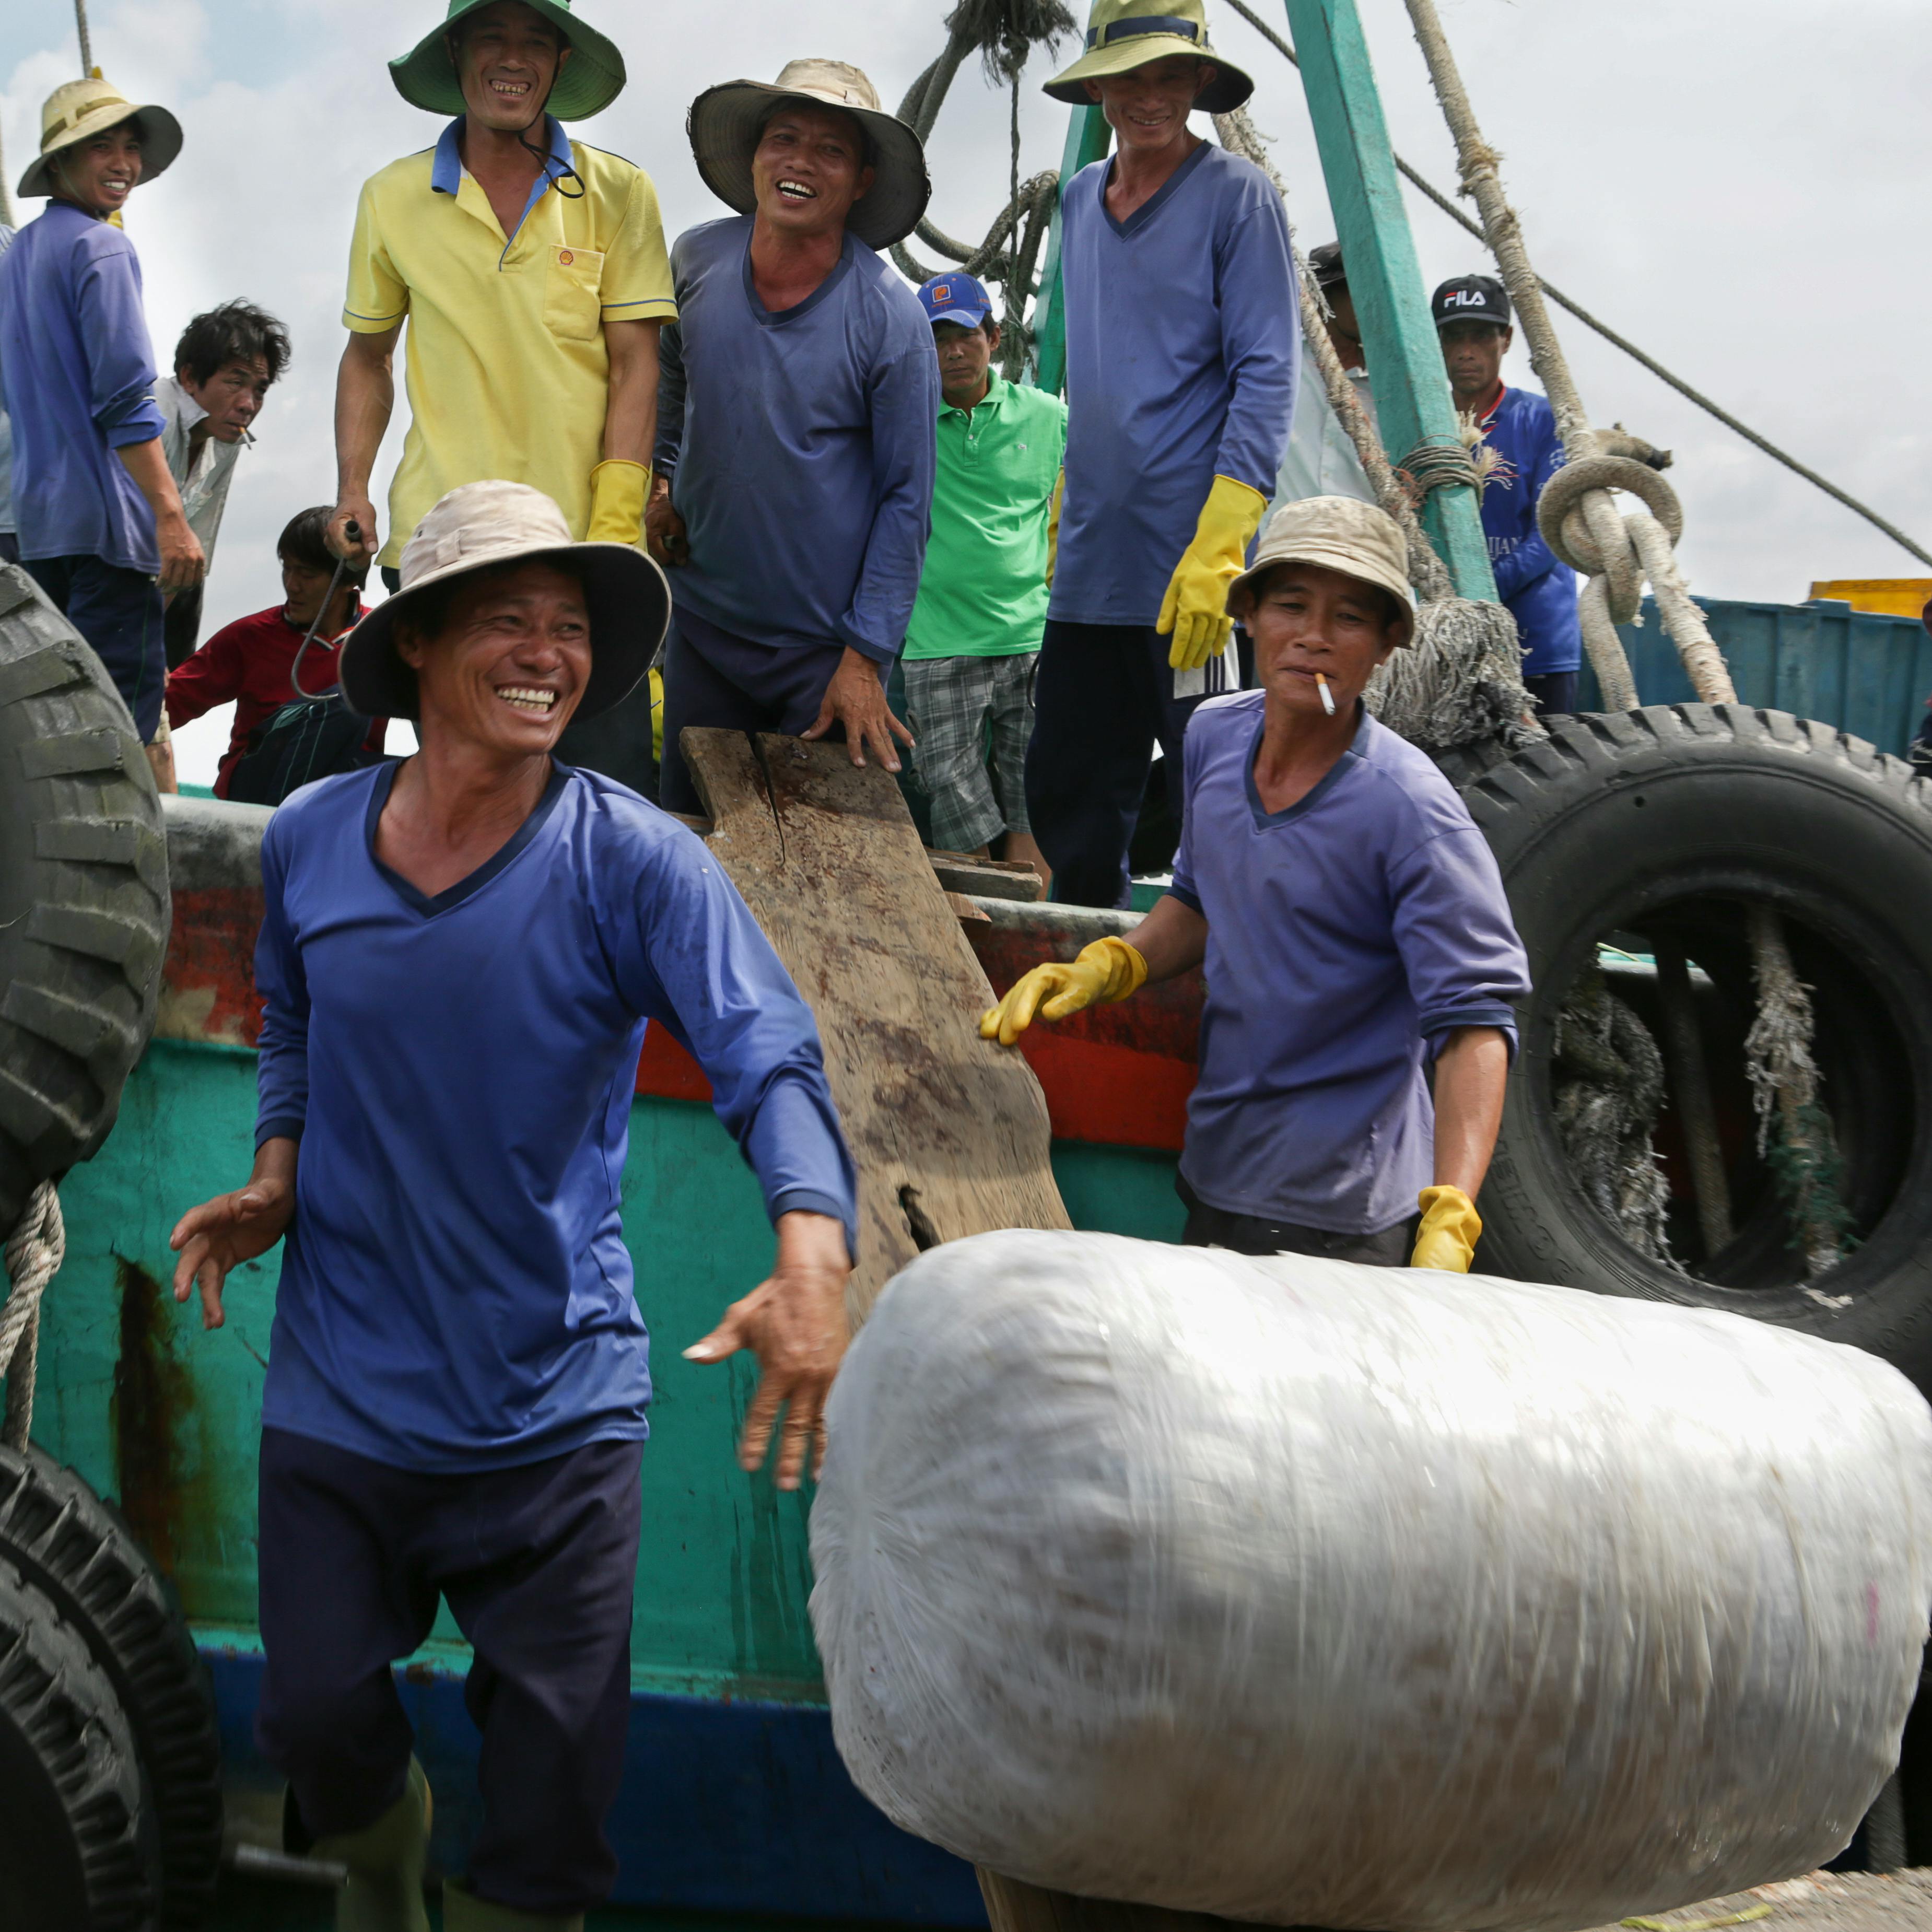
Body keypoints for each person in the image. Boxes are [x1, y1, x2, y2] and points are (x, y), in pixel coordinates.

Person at [168, 480, 856, 1932]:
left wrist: (811, 1247)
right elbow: (291, 1009)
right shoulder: (307, 838)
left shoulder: (633, 858)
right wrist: (280, 1169)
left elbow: (768, 1052)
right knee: (312, 1719)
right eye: (507, 622)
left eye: (569, 629)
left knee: (552, 1814)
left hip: (552, 1407)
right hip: (344, 1382)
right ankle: (379, 1855)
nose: (549, 653)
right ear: (417, 644)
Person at [985, 496, 1530, 1273]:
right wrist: (1110, 965)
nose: (1311, 635)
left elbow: (1473, 1022)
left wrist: (1451, 1211)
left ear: (1382, 647)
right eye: (1289, 604)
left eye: (1347, 617)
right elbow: (1201, 898)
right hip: (1216, 1170)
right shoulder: (1213, 735)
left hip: (1344, 1218)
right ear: (1246, 616)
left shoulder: (1409, 811)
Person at [1025, 0, 1297, 909]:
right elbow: (1094, 369)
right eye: (1131, 76)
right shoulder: (1075, 202)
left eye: (1170, 75)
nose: (1150, 96)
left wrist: (1221, 544)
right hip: (1091, 561)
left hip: (1190, 568)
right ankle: (1081, 971)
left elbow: (1265, 371)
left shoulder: (1236, 195)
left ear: (1197, 83)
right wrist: (1066, 496)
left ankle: (1230, 982)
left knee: (1212, 783)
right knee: (1069, 783)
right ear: (1096, 85)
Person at [642, 60, 936, 814]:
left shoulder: (889, 317)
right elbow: (670, 372)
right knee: (690, 844)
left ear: (862, 179)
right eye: (784, 138)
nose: (801, 162)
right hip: (703, 625)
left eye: (831, 150)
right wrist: (662, 481)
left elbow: (908, 498)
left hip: (821, 655)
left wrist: (864, 660)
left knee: (826, 875)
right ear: (754, 156)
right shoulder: (697, 259)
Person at [329, 0, 674, 588]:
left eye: (536, 41)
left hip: (576, 539)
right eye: (491, 36)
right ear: (455, 52)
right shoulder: (390, 196)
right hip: (436, 539)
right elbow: (369, 357)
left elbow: (635, 367)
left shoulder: (620, 191)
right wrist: (352, 491)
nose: (513, 58)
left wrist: (614, 532)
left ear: (561, 61)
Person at [0, 76, 203, 769]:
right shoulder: (102, 248)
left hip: (35, 530)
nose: (122, 162)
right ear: (59, 164)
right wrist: (170, 515)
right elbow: (124, 399)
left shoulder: (17, 256)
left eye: (130, 146)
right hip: (108, 533)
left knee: (50, 732)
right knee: (113, 740)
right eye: (100, 148)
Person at [899, 272, 1063, 883]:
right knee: (956, 815)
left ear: (993, 337)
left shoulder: (1048, 417)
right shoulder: (901, 420)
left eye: (966, 334)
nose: (954, 351)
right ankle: (976, 963)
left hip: (1029, 642)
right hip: (936, 646)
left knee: (1033, 809)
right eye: (938, 339)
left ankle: (1037, 956)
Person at [1433, 273, 1581, 720]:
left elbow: (1552, 534)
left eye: (1480, 336)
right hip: (1447, 645)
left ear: (1507, 340)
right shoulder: (1423, 422)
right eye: (1452, 337)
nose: (1465, 351)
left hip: (1536, 645)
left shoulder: (1541, 420)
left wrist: (1479, 589)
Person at [166, 506, 387, 798]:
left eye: (306, 574)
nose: (292, 585)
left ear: (347, 581)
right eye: (287, 568)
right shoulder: (250, 637)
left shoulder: (381, 639)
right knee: (348, 703)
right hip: (259, 787)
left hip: (343, 789)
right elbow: (161, 707)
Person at [158, 300, 291, 666]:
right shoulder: (155, 413)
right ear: (189, 378)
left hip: (154, 591)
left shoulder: (225, 439)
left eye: (260, 390)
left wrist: (152, 648)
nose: (248, 404)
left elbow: (192, 553)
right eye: (234, 382)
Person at [1275, 240, 1376, 508]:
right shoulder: (1278, 365)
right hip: (1281, 541)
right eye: (1355, 288)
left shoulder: (1394, 384)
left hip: (1367, 546)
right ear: (1323, 298)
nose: (1370, 300)